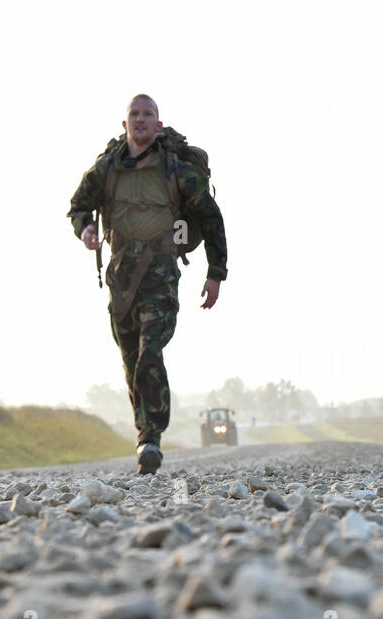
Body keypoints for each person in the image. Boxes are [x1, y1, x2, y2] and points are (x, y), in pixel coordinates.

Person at [67, 94, 227, 475]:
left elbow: (211, 216)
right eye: (133, 115)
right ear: (125, 125)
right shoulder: (106, 169)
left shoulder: (176, 170)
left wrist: (215, 273)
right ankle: (146, 430)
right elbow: (78, 206)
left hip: (161, 275)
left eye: (147, 114)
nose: (140, 120)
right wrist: (86, 228)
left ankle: (150, 438)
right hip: (121, 279)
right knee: (130, 358)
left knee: (149, 348)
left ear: (158, 125)